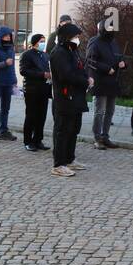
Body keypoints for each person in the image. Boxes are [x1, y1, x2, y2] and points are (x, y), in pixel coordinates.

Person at [49, 22, 89, 176]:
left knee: (73, 129)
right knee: (62, 131)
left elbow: (79, 69)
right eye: (75, 36)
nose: (77, 39)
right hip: (65, 98)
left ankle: (70, 159)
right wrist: (84, 81)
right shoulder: (59, 53)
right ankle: (59, 164)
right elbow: (67, 75)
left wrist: (87, 78)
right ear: (67, 37)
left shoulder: (72, 51)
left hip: (76, 97)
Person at [87, 18, 128, 149]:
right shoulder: (95, 42)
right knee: (100, 111)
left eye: (112, 28)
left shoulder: (113, 42)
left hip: (113, 82)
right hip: (100, 81)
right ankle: (97, 138)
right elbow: (91, 61)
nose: (111, 30)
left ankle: (105, 136)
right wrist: (106, 68)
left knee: (110, 111)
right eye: (108, 28)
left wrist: (123, 64)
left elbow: (119, 57)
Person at [19, 33, 52, 152]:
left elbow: (48, 68)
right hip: (31, 89)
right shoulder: (26, 55)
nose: (43, 43)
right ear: (35, 42)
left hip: (44, 89)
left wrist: (49, 75)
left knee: (41, 116)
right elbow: (23, 71)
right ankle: (28, 141)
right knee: (31, 116)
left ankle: (38, 140)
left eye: (44, 41)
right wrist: (42, 74)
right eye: (41, 41)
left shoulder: (45, 55)